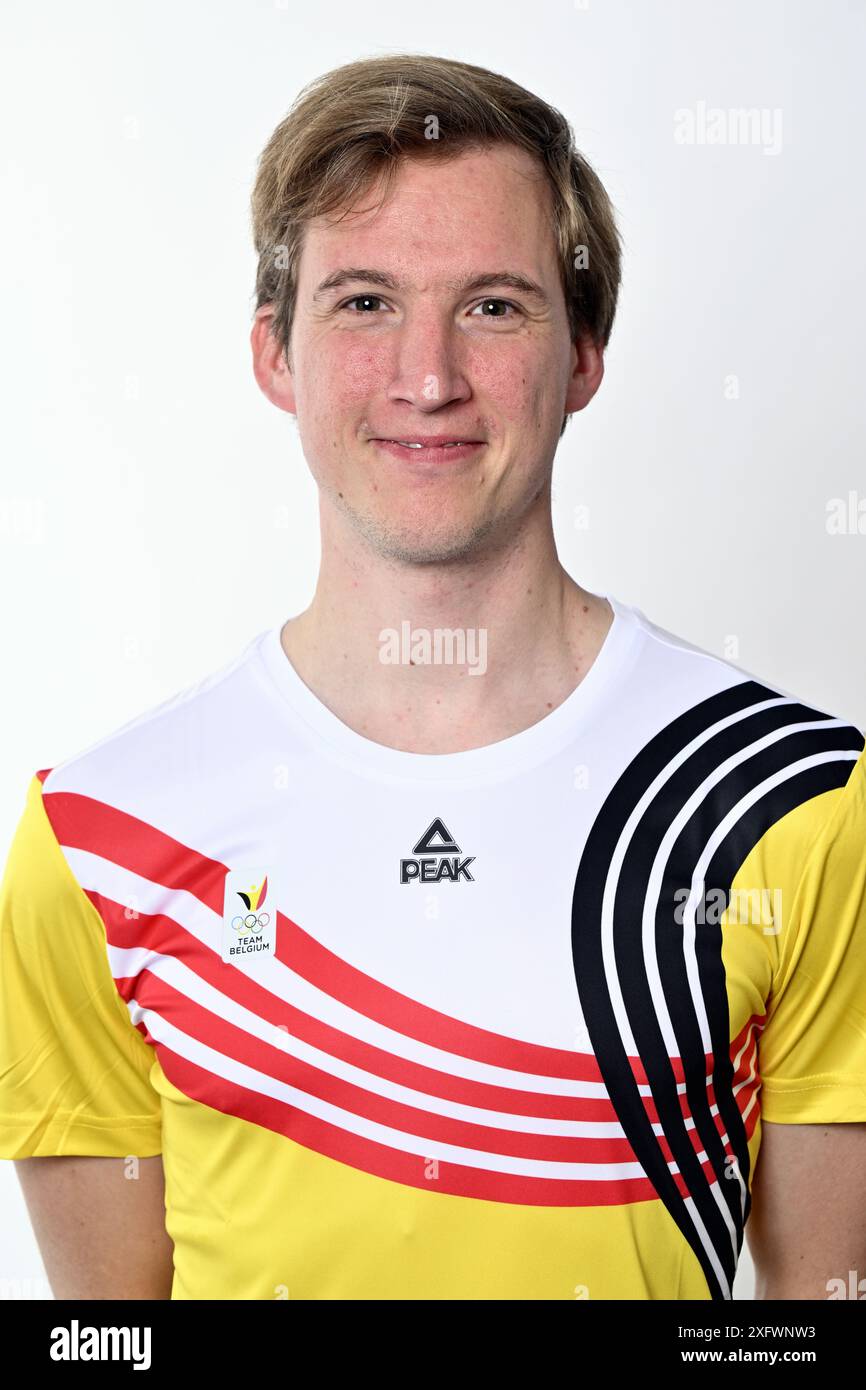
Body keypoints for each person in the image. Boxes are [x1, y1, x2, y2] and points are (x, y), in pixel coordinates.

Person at [1, 52, 865, 1302]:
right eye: (361, 302)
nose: (426, 376)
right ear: (273, 357)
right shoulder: (92, 846)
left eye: (493, 306)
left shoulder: (799, 805)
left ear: (580, 357)